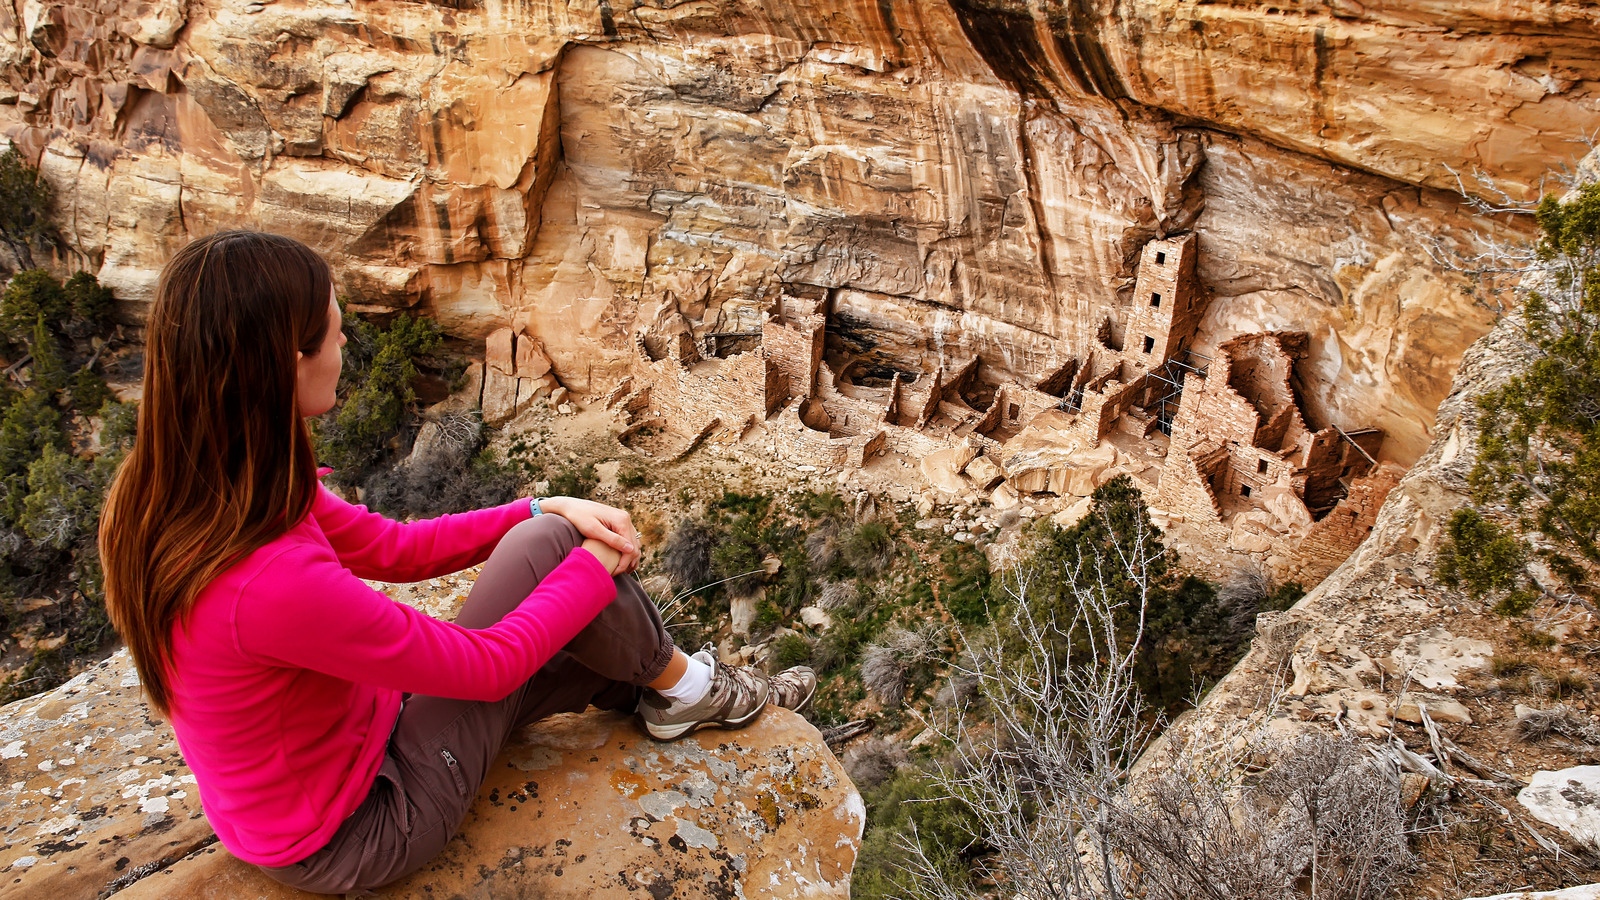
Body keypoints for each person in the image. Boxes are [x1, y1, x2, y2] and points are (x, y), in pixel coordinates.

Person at [97, 231, 816, 894]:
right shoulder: (263, 582)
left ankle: (674, 692)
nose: (347, 338)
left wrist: (537, 509)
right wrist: (591, 570)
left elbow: (389, 547)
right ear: (288, 359)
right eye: (335, 327)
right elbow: (487, 667)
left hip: (366, 738)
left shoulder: (206, 486)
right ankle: (690, 692)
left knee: (549, 551)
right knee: (568, 585)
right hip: (365, 822)